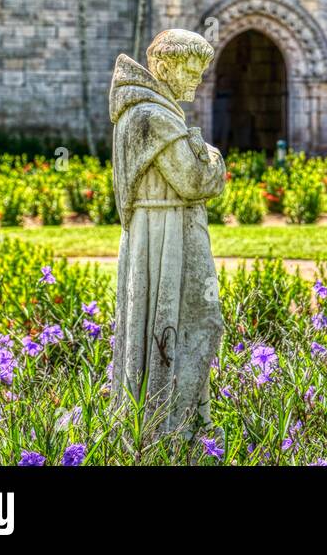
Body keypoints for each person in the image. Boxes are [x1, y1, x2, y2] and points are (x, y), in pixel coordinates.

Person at [109, 29, 226, 436]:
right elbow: (195, 180)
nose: (196, 80)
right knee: (182, 321)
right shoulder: (151, 117)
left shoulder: (151, 112)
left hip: (165, 228)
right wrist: (213, 156)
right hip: (163, 235)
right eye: (190, 70)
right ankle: (166, 427)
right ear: (164, 66)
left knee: (181, 322)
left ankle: (175, 422)